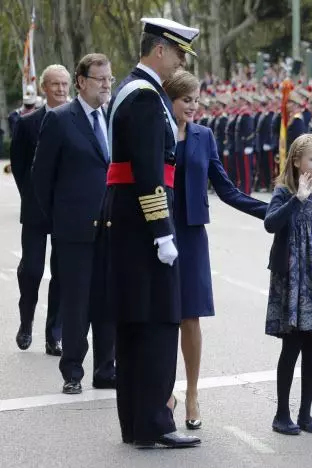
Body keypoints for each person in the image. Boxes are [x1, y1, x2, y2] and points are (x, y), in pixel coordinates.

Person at [98, 17, 201, 448]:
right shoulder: (143, 96)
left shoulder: (138, 91)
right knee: (158, 324)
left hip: (129, 222)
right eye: (178, 53)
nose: (180, 62)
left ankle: (138, 425)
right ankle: (156, 422)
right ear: (159, 50)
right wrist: (161, 230)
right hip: (142, 226)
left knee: (136, 326)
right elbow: (146, 172)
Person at [162, 70, 268, 429]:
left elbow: (226, 189)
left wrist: (272, 210)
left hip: (190, 234)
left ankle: (191, 394)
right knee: (162, 317)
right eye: (185, 99)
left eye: (196, 99)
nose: (192, 106)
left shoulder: (204, 136)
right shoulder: (154, 130)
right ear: (170, 99)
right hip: (157, 229)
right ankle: (164, 391)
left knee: (190, 317)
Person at [32, 54, 116, 395]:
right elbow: (41, 178)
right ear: (81, 82)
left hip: (111, 227)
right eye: (99, 79)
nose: (106, 85)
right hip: (74, 229)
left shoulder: (115, 118)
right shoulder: (60, 120)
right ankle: (73, 371)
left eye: (110, 79)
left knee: (108, 301)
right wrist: (59, 219)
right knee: (77, 303)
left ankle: (106, 368)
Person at [263, 133, 312, 436]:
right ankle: (282, 413)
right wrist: (298, 199)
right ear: (296, 161)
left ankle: (306, 413)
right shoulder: (285, 192)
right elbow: (271, 224)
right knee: (291, 346)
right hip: (292, 280)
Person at [10, 65, 70, 356]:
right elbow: (19, 167)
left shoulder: (76, 120)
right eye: (55, 85)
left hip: (66, 210)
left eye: (64, 84)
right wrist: (32, 197)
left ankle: (53, 334)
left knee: (61, 272)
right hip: (35, 208)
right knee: (32, 270)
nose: (60, 89)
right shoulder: (28, 122)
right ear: (44, 88)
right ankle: (26, 321)